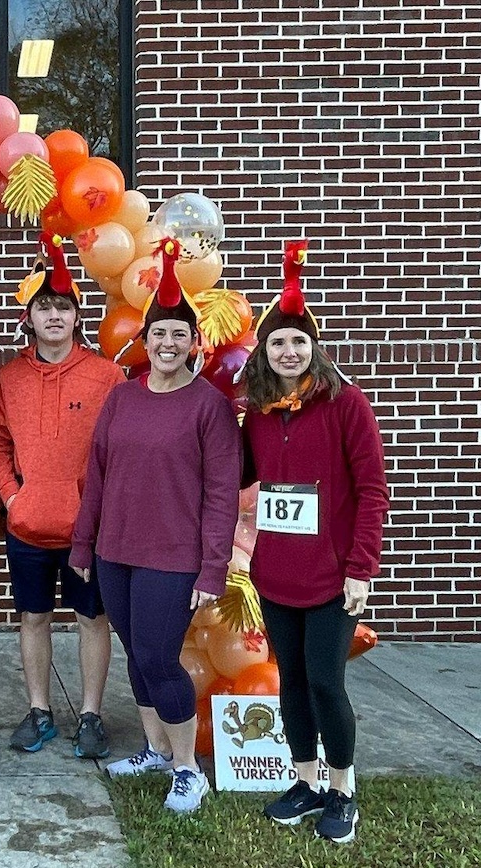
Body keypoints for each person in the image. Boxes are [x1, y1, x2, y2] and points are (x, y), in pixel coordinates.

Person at [69, 237, 241, 814]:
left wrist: (212, 568)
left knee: (159, 656)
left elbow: (222, 495)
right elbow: (96, 473)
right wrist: (83, 544)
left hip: (174, 556)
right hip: (116, 549)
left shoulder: (209, 407)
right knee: (136, 653)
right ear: (144, 341)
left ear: (195, 343)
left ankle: (189, 769)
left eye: (178, 334)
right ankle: (155, 749)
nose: (167, 343)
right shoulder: (122, 398)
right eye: (158, 333)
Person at [241, 240, 389, 844]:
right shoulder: (255, 411)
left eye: (299, 341)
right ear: (266, 351)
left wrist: (361, 569)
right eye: (278, 341)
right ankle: (305, 780)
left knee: (327, 682)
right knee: (293, 683)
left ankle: (342, 790)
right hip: (276, 575)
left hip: (332, 579)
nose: (288, 350)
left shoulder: (347, 405)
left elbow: (373, 492)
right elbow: (243, 480)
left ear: (314, 347)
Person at [0, 234, 124, 757]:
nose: (53, 316)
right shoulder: (10, 376)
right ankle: (39, 710)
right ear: (30, 317)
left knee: (93, 619)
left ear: (76, 317)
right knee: (33, 617)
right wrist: (11, 496)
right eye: (43, 307)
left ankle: (90, 714)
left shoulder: (107, 376)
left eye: (62, 307)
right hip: (27, 526)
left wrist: (99, 509)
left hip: (87, 529)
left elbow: (120, 451)